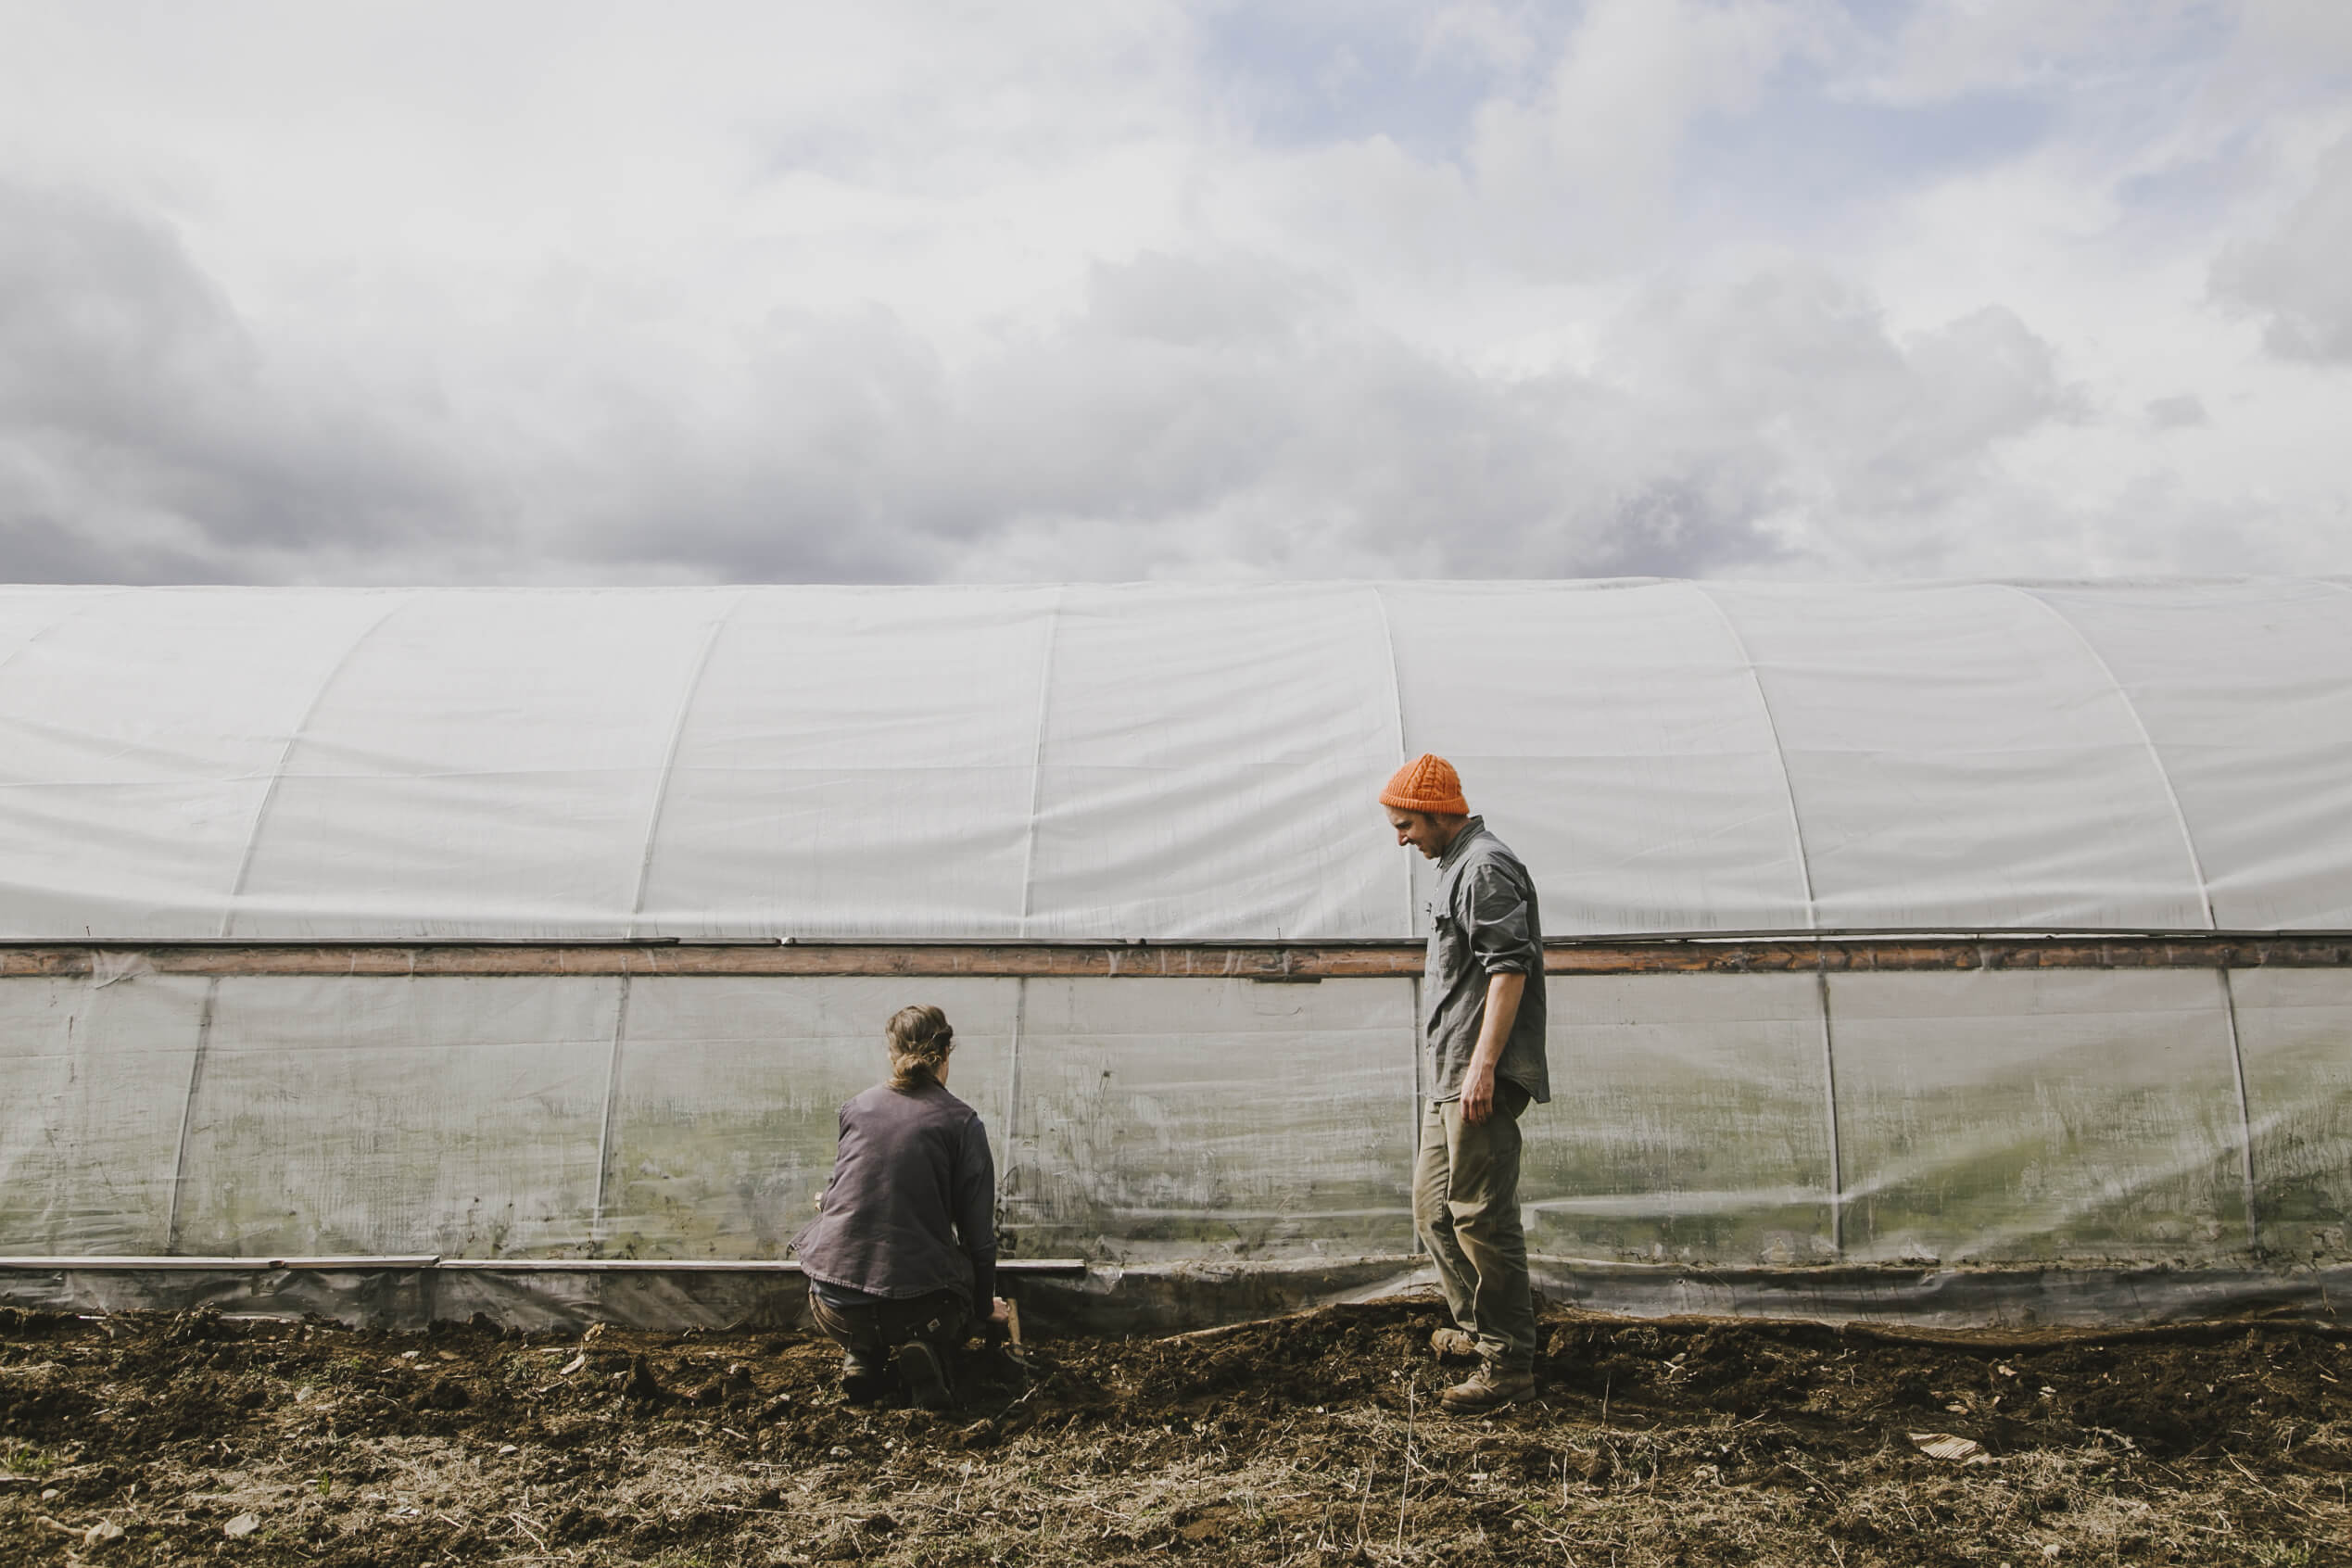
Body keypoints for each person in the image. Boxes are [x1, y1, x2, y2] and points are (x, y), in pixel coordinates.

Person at [1381, 752, 1549, 1413]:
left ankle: (1508, 1367)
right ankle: (1482, 1334)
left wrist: (1483, 1068)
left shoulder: (1483, 867)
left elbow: (1510, 971)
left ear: (1438, 812)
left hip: (1475, 1074)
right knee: (1433, 1210)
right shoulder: (1457, 866)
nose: (1401, 839)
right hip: (1450, 1072)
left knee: (1480, 1217)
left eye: (1405, 825)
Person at [790, 1005, 1010, 1409]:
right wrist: (984, 1310)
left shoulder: (856, 1108)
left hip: (835, 1311)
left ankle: (862, 1356)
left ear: (891, 1055)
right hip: (922, 1312)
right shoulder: (961, 1122)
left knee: (860, 1276)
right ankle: (927, 1353)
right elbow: (979, 1238)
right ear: (946, 1055)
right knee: (954, 1279)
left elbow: (841, 1190)